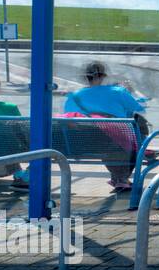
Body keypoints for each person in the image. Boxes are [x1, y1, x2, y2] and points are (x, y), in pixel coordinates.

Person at [63, 61, 148, 191]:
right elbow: (141, 108)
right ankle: (121, 178)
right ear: (103, 76)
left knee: (104, 138)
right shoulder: (118, 91)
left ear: (85, 77)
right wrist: (132, 91)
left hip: (82, 144)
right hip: (115, 143)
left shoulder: (74, 96)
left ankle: (119, 178)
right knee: (135, 128)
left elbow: (69, 118)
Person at [0, 74, 30, 187]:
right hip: (4, 152)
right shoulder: (10, 108)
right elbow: (20, 131)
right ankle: (21, 175)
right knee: (9, 142)